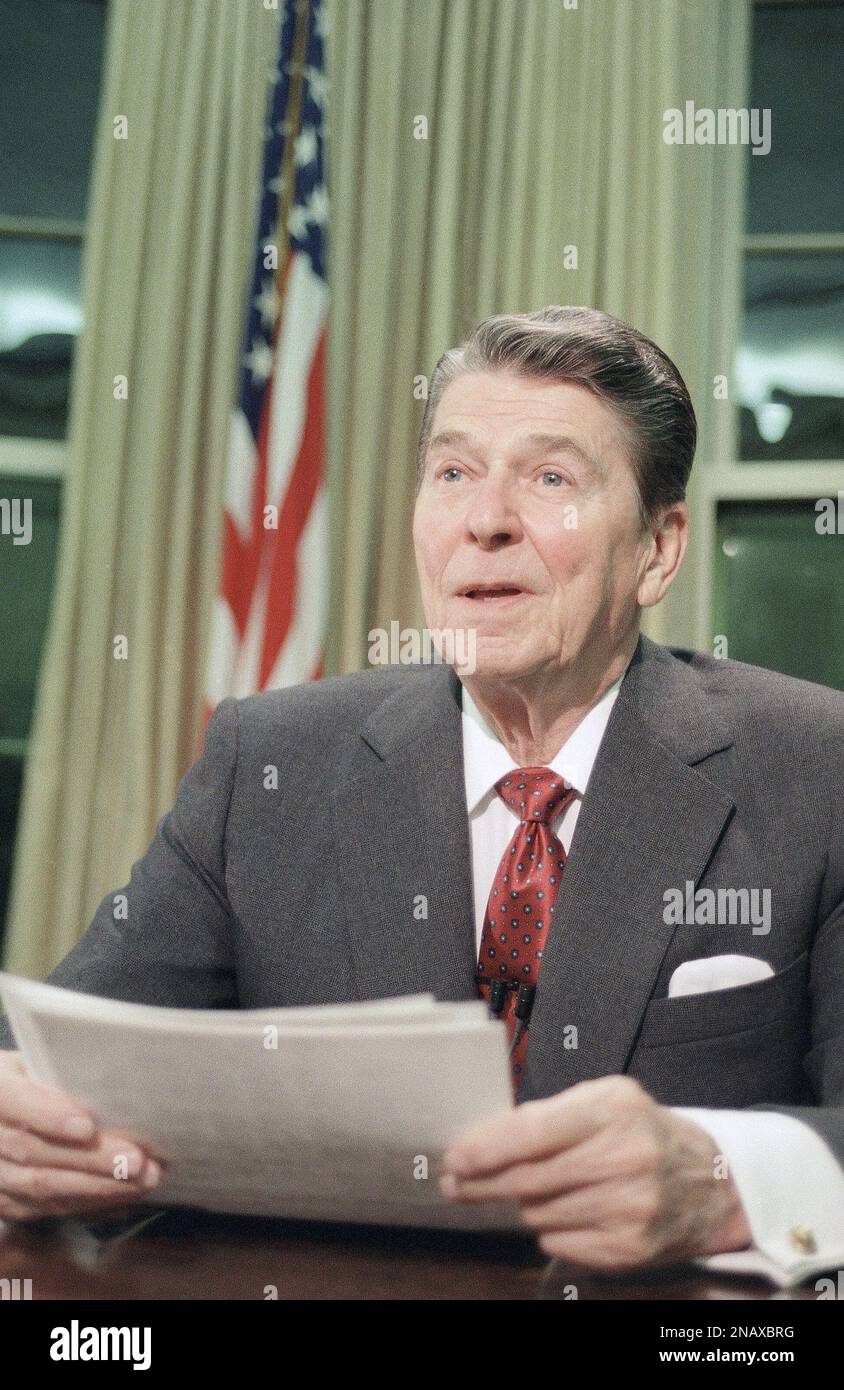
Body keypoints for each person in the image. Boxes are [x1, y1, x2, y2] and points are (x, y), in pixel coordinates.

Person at [1, 306, 842, 1282]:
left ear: (657, 548)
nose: (484, 521)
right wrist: (23, 1125)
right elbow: (56, 1057)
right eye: (452, 472)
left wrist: (725, 1176)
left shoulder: (814, 770)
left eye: (550, 478)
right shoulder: (266, 762)